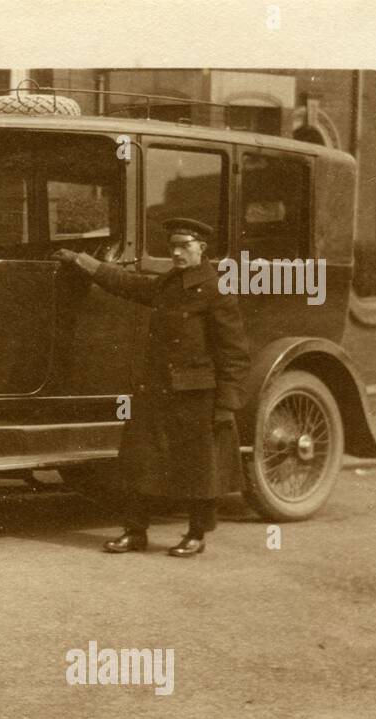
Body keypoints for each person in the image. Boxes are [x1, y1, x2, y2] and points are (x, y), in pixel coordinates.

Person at [54, 218, 250, 557]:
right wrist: (86, 263)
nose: (176, 252)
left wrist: (226, 405)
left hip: (196, 394)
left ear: (201, 248)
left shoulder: (216, 291)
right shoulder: (168, 284)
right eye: (173, 246)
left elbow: (234, 354)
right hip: (155, 388)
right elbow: (128, 284)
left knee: (198, 468)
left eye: (184, 246)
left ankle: (196, 534)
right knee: (139, 461)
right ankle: (135, 532)